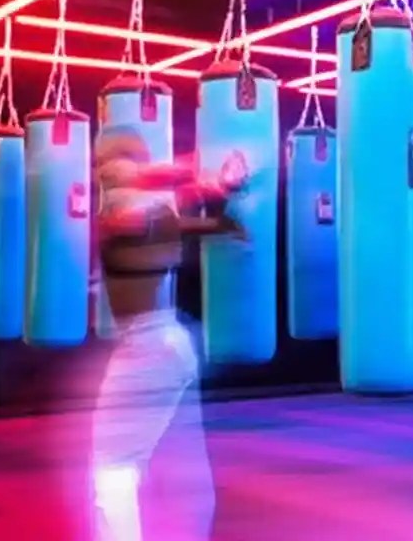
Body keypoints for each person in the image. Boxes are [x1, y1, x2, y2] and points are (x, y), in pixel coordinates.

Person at [90, 126, 245, 541]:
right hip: (173, 345)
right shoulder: (151, 216)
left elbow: (136, 217)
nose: (103, 172)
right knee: (181, 467)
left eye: (109, 163)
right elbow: (181, 221)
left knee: (112, 467)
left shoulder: (139, 215)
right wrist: (213, 189)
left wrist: (205, 183)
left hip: (148, 351)